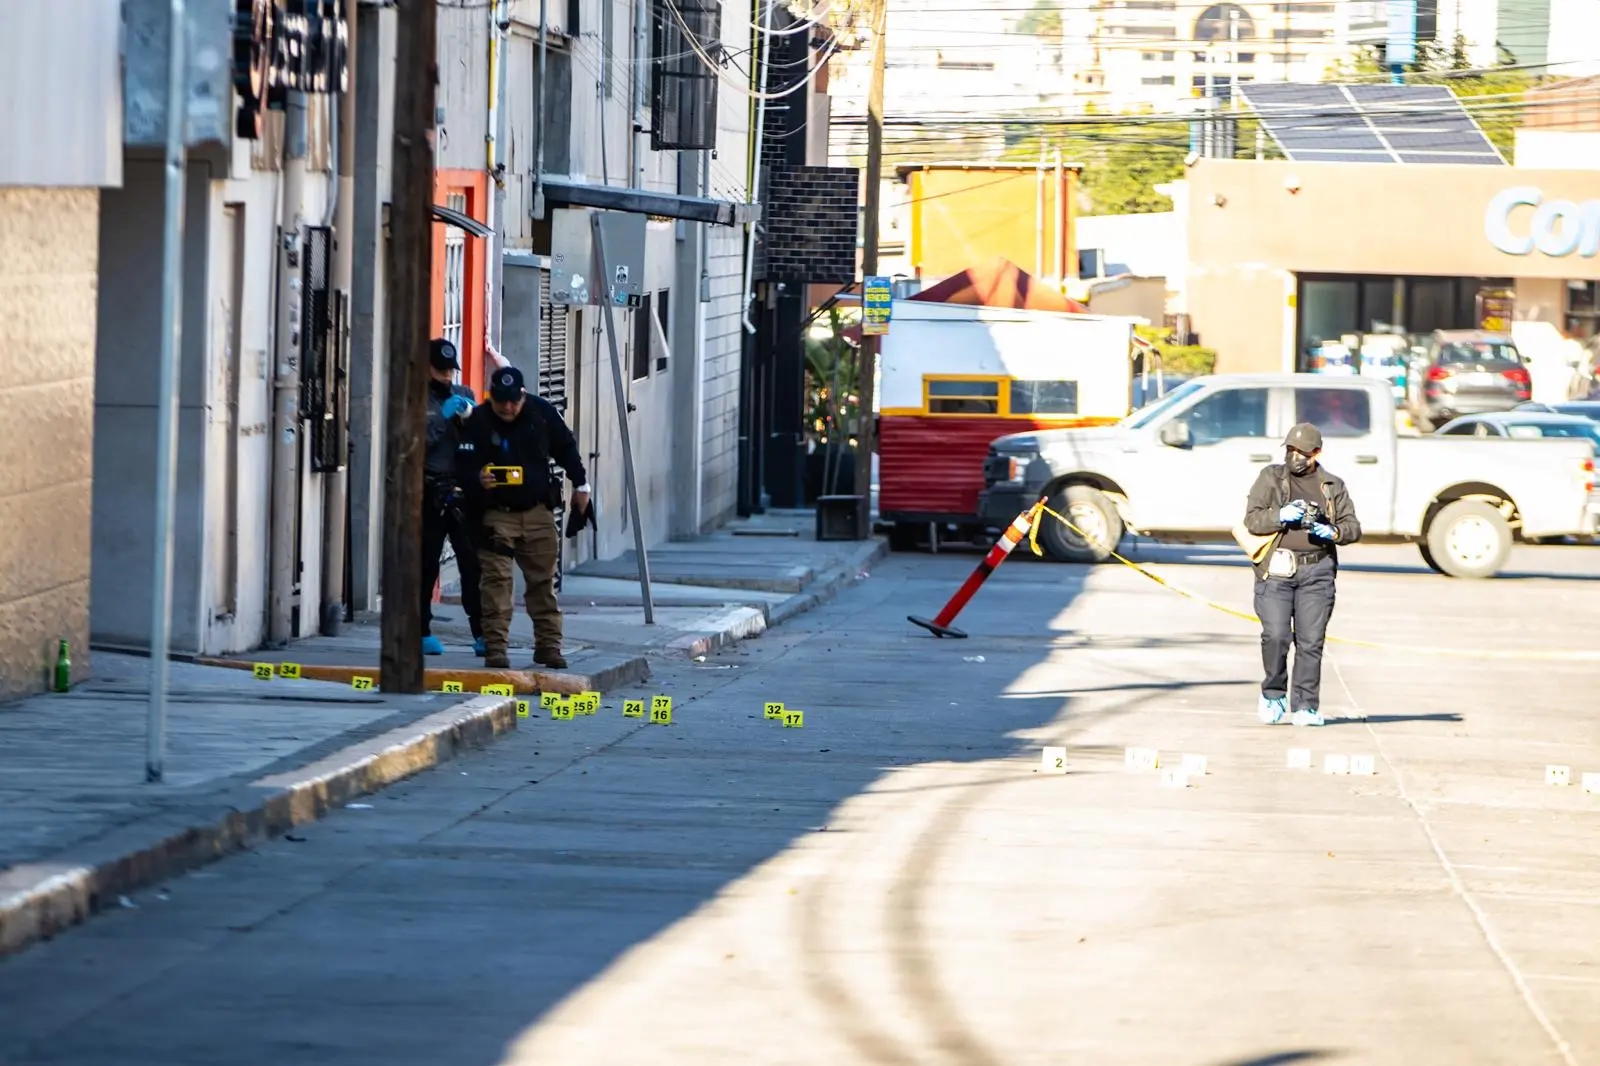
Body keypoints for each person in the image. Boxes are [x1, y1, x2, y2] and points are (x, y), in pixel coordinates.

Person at [456, 364, 590, 670]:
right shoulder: (478, 420)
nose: (507, 407)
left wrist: (582, 484)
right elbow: (461, 465)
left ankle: (548, 646)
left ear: (522, 394)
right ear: (492, 397)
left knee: (544, 583)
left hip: (538, 512)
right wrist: (478, 477)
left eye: (513, 400)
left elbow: (567, 448)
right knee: (497, 583)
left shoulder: (541, 413)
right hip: (496, 515)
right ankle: (496, 648)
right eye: (500, 400)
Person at [1240, 422, 1362, 727]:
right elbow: (1252, 520)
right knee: (1276, 635)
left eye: (1302, 452)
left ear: (1316, 452)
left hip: (1317, 571)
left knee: (1310, 642)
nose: (1295, 457)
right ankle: (1273, 694)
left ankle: (1306, 705)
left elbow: (1353, 527)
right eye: (1291, 450)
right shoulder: (1270, 477)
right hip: (1278, 569)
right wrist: (1279, 516)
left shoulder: (1332, 485)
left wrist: (1332, 531)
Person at [421, 338, 484, 657]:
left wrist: (470, 418)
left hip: (462, 491)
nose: (446, 376)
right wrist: (440, 420)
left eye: (450, 370)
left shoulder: (464, 395)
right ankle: (420, 629)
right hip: (429, 489)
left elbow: (484, 437)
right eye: (440, 370)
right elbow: (413, 442)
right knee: (426, 563)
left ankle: (482, 633)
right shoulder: (415, 400)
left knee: (472, 564)